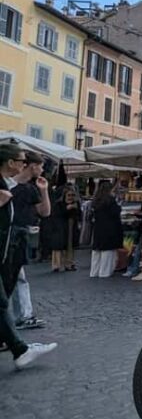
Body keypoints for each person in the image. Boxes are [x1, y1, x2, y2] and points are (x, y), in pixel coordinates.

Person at [0, 142, 57, 368]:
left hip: (11, 243)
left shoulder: (20, 186)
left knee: (4, 298)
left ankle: (19, 349)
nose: (25, 165)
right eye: (22, 161)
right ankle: (19, 349)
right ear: (12, 163)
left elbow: (45, 212)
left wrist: (43, 191)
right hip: (7, 243)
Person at [10, 151, 50, 330]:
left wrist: (44, 190)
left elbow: (45, 212)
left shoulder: (32, 188)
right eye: (41, 166)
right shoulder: (8, 184)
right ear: (32, 166)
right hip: (8, 234)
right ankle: (21, 316)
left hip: (20, 235)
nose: (42, 170)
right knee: (16, 278)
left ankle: (23, 315)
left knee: (19, 277)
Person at [48, 185, 80, 272]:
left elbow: (78, 215)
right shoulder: (58, 204)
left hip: (71, 226)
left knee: (70, 245)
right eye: (69, 195)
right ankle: (56, 265)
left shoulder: (76, 204)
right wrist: (67, 209)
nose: (71, 197)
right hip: (59, 227)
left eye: (73, 195)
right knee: (58, 246)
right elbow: (56, 215)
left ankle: (69, 264)